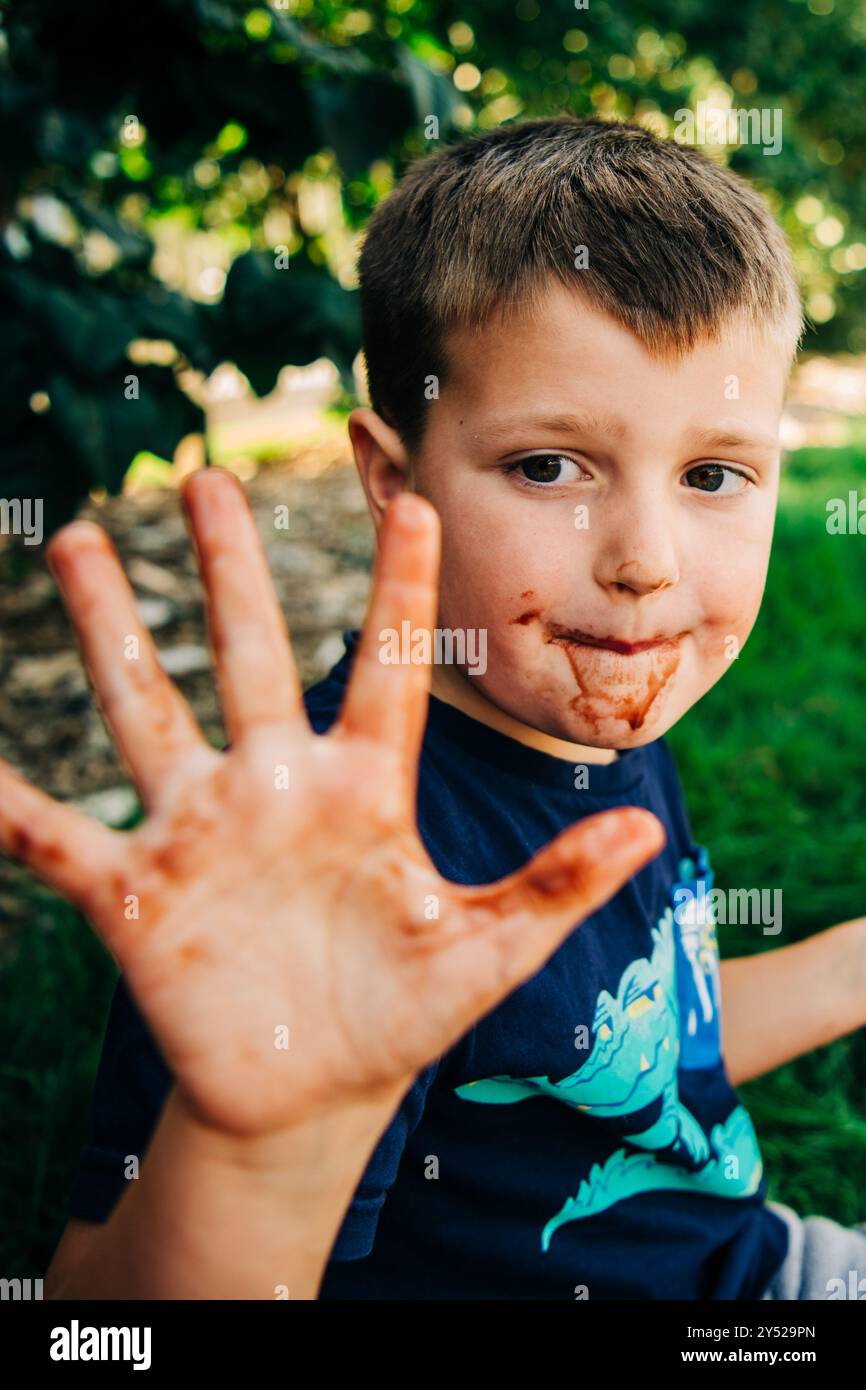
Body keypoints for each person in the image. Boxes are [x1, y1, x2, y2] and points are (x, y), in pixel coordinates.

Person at [22, 114, 866, 1300]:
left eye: (711, 475)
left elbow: (648, 1048)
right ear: (391, 477)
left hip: (749, 1267)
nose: (644, 561)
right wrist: (253, 1150)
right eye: (546, 467)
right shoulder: (329, 859)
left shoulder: (586, 714)